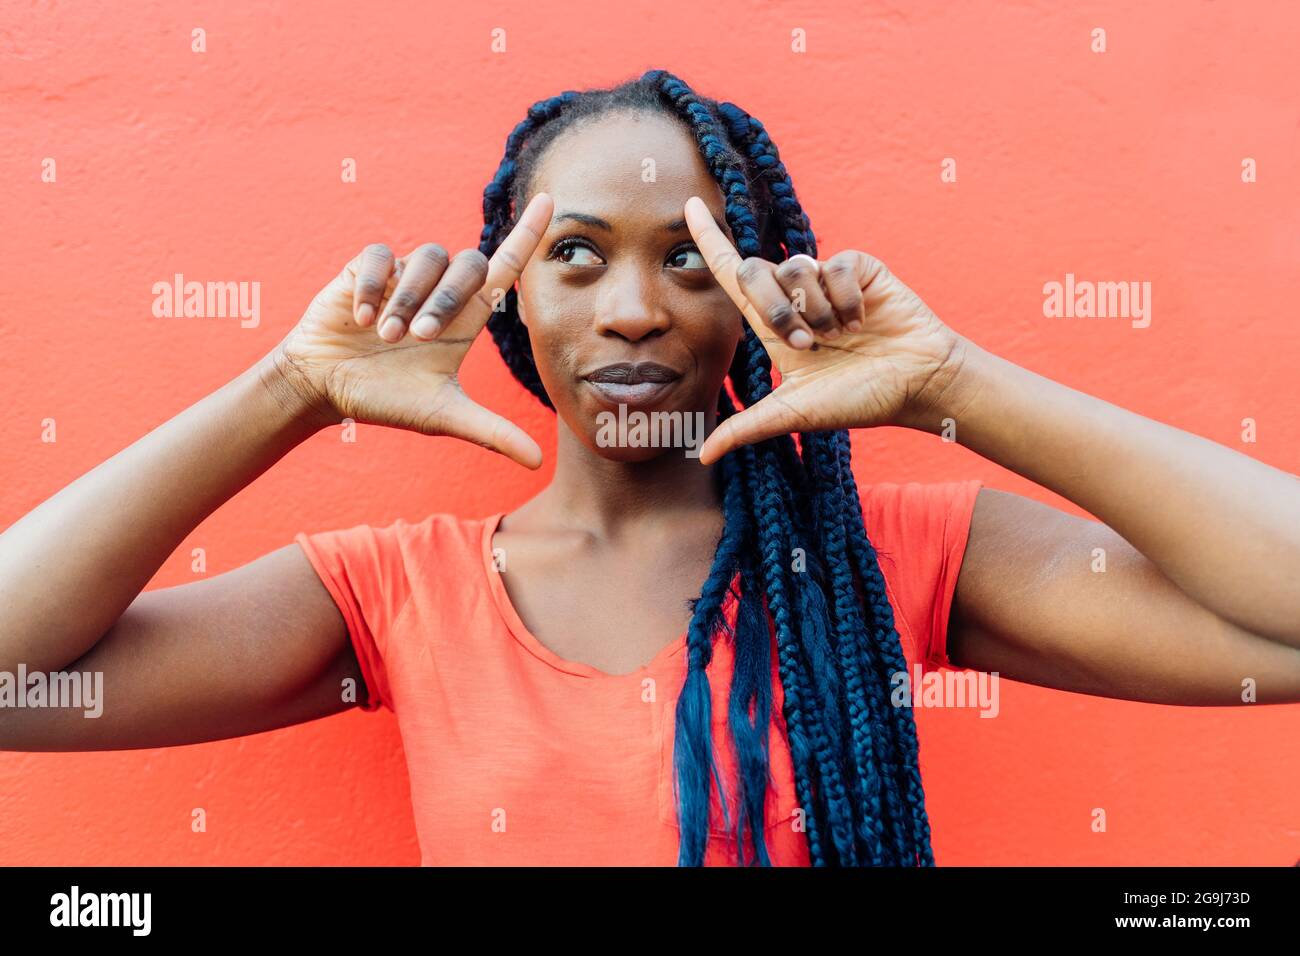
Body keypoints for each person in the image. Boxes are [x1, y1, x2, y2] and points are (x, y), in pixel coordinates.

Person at [1, 70, 1297, 867]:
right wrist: (287, 392)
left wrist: (956, 384)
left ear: (753, 295)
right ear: (506, 295)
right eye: (574, 254)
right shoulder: (398, 596)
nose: (632, 307)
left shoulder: (882, 560)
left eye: (689, 256)